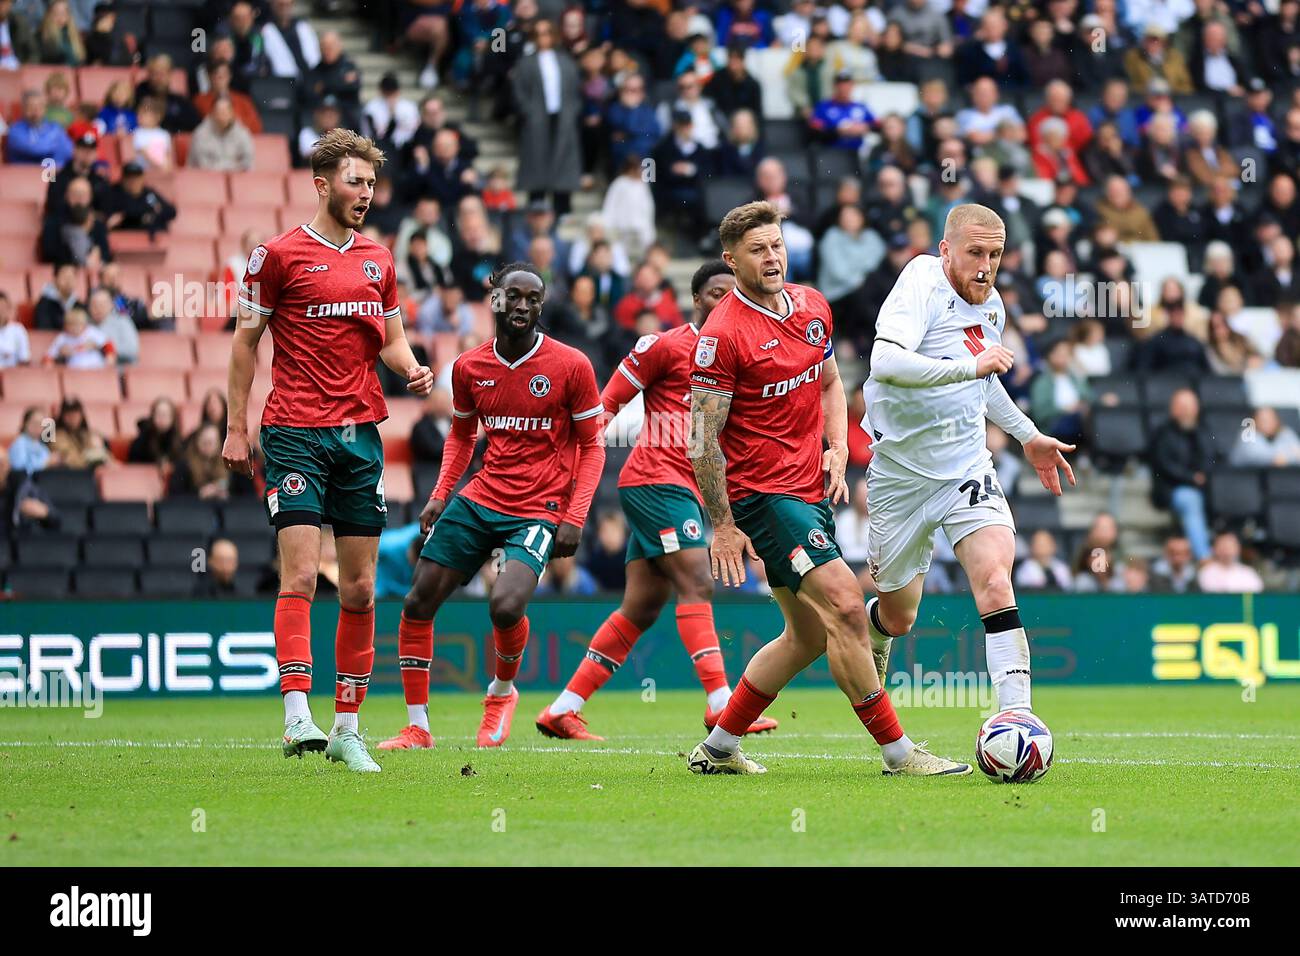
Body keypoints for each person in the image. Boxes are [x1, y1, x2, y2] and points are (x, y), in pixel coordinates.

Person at [683, 200, 969, 777]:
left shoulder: (812, 306)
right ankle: (899, 753)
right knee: (845, 603)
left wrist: (837, 447)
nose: (771, 257)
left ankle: (716, 750)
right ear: (731, 259)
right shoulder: (722, 336)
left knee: (807, 635)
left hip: (808, 487)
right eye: (757, 249)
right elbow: (699, 440)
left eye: (777, 245)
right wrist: (722, 524)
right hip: (763, 497)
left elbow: (832, 382)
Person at [221, 128, 434, 774]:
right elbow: (243, 343)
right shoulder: (276, 257)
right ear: (321, 184)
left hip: (361, 434)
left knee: (363, 587)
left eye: (371, 183)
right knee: (300, 574)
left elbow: (391, 341)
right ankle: (295, 714)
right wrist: (236, 427)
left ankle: (347, 727)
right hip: (293, 432)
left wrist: (412, 367)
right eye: (354, 181)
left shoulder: (378, 260)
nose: (365, 193)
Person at [862, 204, 1077, 743]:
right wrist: (968, 367)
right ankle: (877, 629)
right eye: (975, 253)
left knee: (994, 579)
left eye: (996, 255)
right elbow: (885, 363)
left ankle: (1018, 719)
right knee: (900, 615)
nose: (986, 267)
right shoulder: (920, 282)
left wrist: (1028, 435)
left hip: (965, 466)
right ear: (945, 251)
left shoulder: (992, 306)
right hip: (901, 477)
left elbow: (983, 384)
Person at [539, 260, 777, 740]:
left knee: (641, 607)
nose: (725, 301)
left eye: (732, 294)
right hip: (655, 479)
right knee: (697, 582)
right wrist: (569, 473)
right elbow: (604, 406)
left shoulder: (742, 357)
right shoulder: (664, 346)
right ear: (696, 299)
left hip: (689, 489)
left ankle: (562, 709)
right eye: (715, 292)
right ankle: (721, 705)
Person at [379, 263, 605, 751]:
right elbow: (461, 436)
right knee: (418, 602)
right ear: (495, 299)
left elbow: (594, 446)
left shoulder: (571, 366)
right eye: (514, 296)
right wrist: (441, 494)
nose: (523, 306)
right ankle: (417, 726)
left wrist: (575, 515)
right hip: (482, 496)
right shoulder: (468, 367)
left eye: (533, 299)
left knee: (505, 605)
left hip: (540, 506)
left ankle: (501, 693)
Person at [1149, 389, 1213, 562]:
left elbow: (1210, 458)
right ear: (1173, 409)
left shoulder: (1203, 431)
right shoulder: (1162, 433)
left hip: (1204, 488)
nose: (1187, 411)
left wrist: (1202, 476)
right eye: (1182, 406)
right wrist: (1191, 478)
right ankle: (1204, 558)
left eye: (1191, 406)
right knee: (1190, 499)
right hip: (1171, 489)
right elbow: (1164, 464)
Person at [1230, 406, 1300, 466]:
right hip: (1244, 478)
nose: (1267, 423)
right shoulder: (1247, 433)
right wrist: (1287, 456)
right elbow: (1256, 456)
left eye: (1270, 419)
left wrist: (1284, 458)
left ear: (1277, 420)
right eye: (1263, 420)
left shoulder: (1285, 433)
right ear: (1255, 420)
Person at [1196, 531, 1264, 593]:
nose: (1226, 549)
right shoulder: (1206, 572)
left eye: (1230, 545)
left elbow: (1257, 596)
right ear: (1214, 548)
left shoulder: (1248, 573)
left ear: (1238, 548)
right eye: (1223, 545)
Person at [128, 396, 185, 465]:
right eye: (158, 414)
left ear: (173, 418)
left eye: (165, 414)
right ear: (153, 416)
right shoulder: (142, 440)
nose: (162, 418)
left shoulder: (179, 442)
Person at [0, 292, 31, 369]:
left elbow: (25, 359)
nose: (1, 311)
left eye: (4, 307)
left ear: (9, 308)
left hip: (13, 376)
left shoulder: (18, 330)